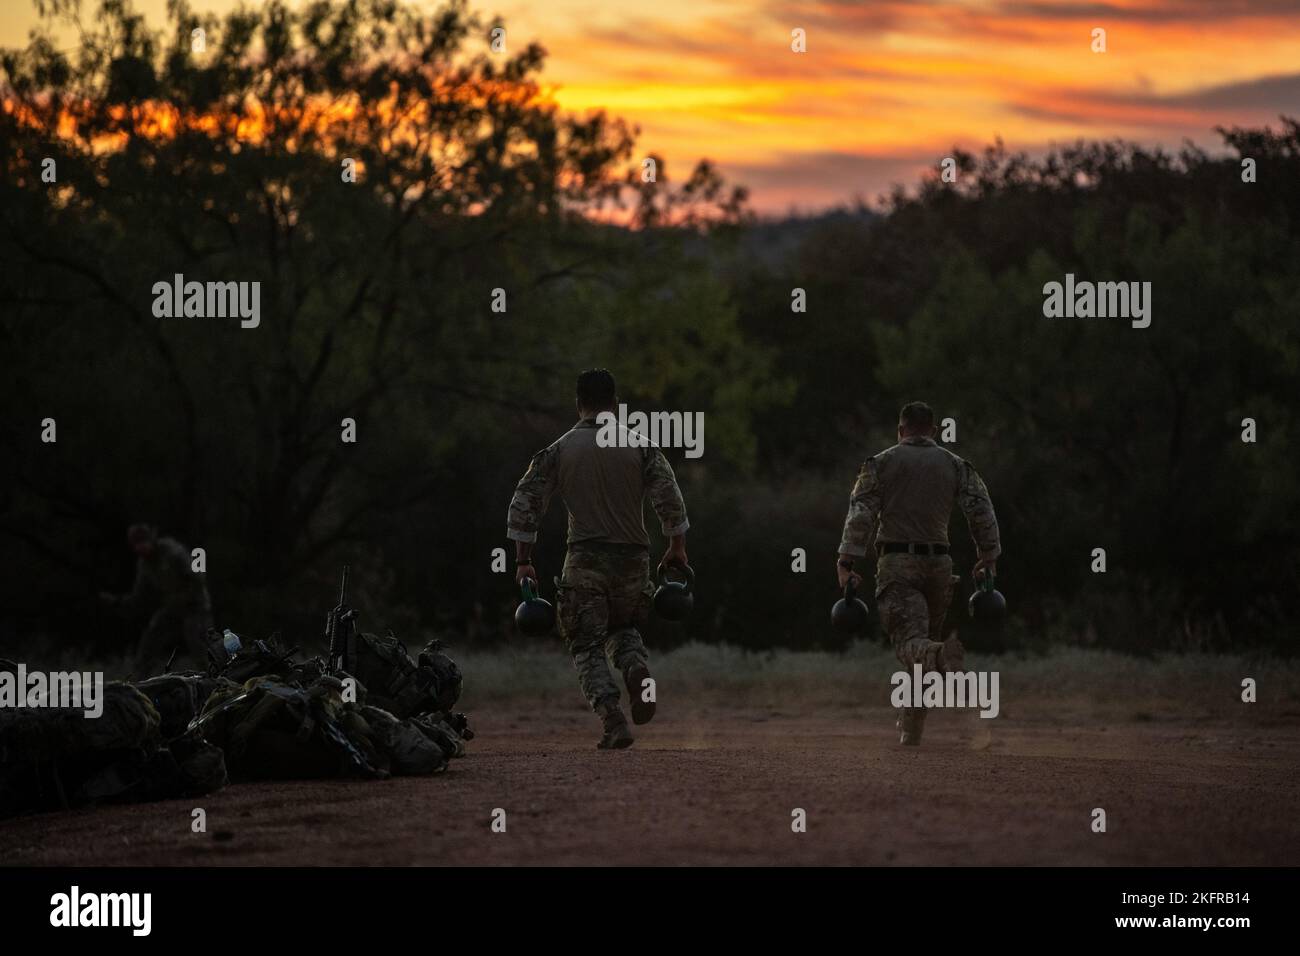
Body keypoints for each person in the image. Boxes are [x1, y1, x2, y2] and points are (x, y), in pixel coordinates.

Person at [506, 369, 690, 749]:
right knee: (623, 630)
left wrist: (524, 560)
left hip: (586, 558)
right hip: (634, 560)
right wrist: (677, 547)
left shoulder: (559, 450)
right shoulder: (642, 446)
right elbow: (669, 499)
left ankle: (613, 719)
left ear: (578, 405)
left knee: (586, 643)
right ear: (616, 403)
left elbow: (525, 503)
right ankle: (638, 671)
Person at [836, 402, 1001, 745]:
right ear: (934, 431)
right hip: (940, 566)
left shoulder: (880, 463)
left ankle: (942, 655)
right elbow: (981, 508)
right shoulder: (956, 465)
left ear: (900, 431)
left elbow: (861, 514)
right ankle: (911, 729)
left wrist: (847, 562)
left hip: (897, 563)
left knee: (913, 645)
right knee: (924, 645)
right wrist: (987, 556)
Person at [100, 523, 213, 669]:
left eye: (143, 542)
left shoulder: (172, 551)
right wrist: (116, 602)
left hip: (195, 606)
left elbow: (197, 577)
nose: (140, 548)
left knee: (198, 643)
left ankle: (216, 680)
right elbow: (139, 596)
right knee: (152, 637)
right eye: (136, 544)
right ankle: (138, 679)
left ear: (151, 539)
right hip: (173, 607)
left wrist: (188, 596)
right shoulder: (144, 564)